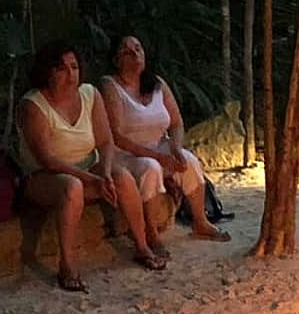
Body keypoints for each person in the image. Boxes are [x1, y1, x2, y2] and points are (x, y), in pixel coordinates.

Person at [18, 41, 168, 293]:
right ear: (48, 72)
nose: (70, 74)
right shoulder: (33, 105)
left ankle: (142, 245)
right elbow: (47, 159)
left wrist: (106, 172)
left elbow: (105, 140)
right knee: (72, 186)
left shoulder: (89, 94)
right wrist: (90, 178)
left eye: (74, 67)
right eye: (62, 68)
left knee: (123, 177)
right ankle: (67, 263)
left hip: (87, 166)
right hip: (46, 177)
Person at [99, 35, 231, 243]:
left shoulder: (157, 83)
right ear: (116, 60)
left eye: (138, 48)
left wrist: (176, 148)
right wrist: (160, 158)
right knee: (150, 167)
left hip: (159, 147)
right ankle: (150, 230)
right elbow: (116, 135)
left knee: (189, 161)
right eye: (127, 51)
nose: (134, 54)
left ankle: (200, 220)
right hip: (126, 153)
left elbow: (176, 123)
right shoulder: (110, 86)